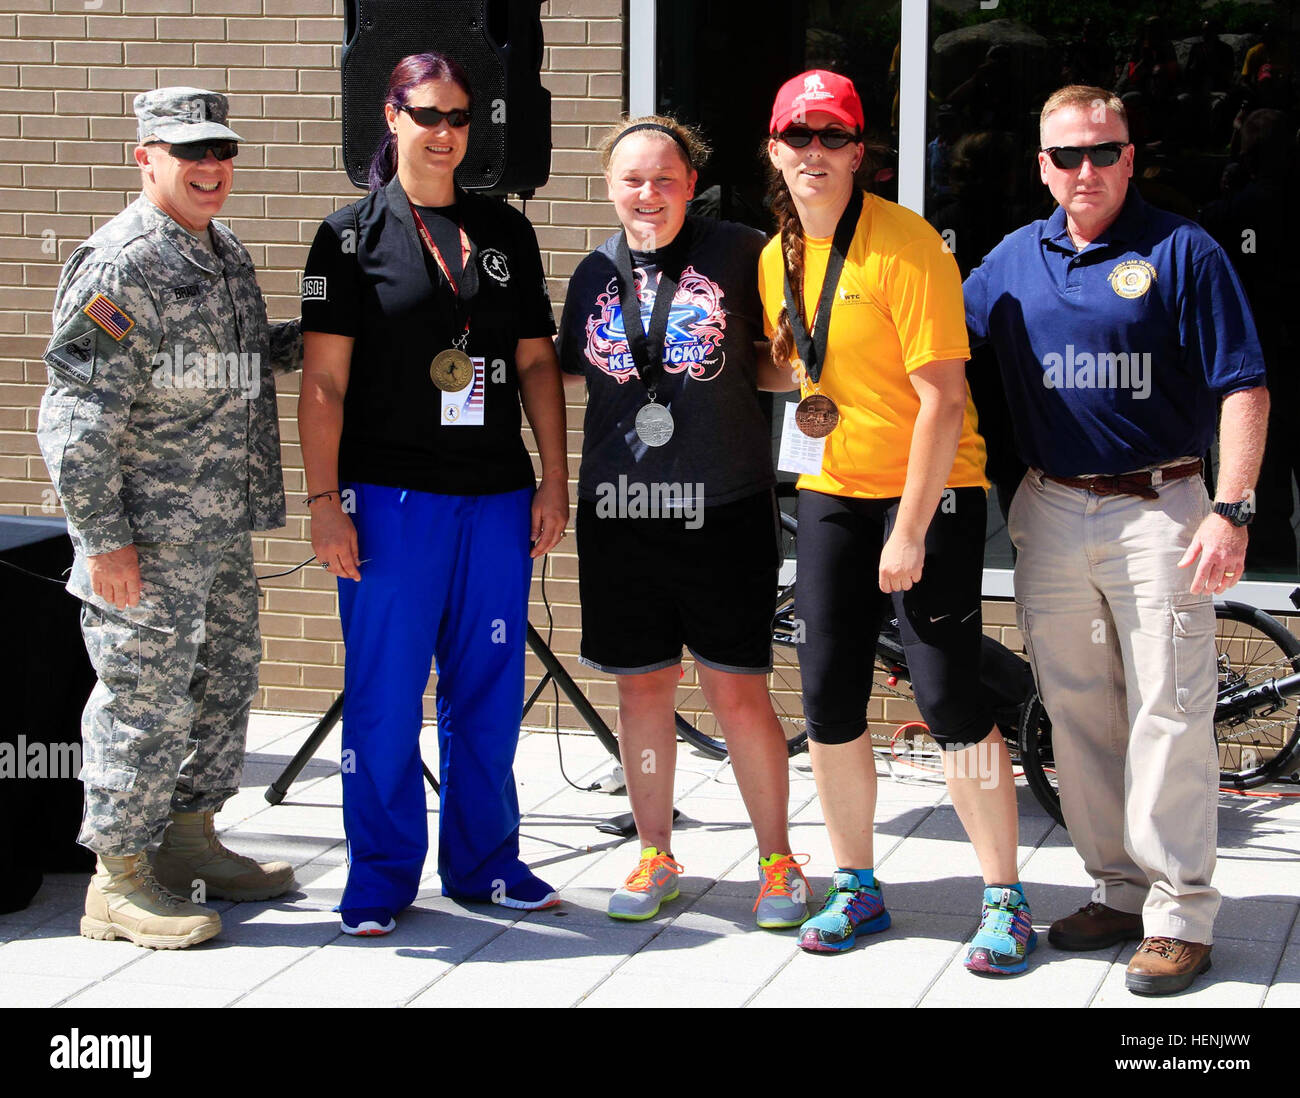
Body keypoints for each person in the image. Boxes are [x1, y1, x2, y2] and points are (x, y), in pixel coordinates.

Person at [964, 85, 1269, 994]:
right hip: (1050, 511)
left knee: (1169, 712)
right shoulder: (1013, 261)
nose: (1085, 170)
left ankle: (1180, 915)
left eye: (1104, 152)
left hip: (1162, 508)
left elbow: (1243, 385)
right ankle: (1119, 890)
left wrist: (1235, 505)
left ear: (1132, 157)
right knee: (1079, 711)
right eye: (1067, 156)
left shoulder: (1185, 250)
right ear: (1042, 166)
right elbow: (936, 351)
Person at [760, 70, 1032, 972]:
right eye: (799, 138)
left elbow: (944, 401)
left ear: (860, 152)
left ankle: (1004, 896)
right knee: (829, 700)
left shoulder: (907, 245)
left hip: (931, 494)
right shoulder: (776, 257)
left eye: (834, 139)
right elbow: (802, 367)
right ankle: (857, 886)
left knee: (951, 699)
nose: (816, 155)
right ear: (774, 150)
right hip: (833, 491)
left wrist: (910, 530)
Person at [299, 53, 568, 936]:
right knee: (384, 694)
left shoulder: (507, 234)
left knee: (488, 685)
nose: (445, 133)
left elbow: (535, 362)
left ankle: (486, 863)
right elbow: (324, 386)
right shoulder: (345, 238)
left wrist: (553, 480)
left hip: (493, 496)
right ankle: (379, 878)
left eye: (459, 117)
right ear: (392, 117)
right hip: (390, 502)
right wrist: (325, 501)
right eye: (427, 115)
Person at [36, 87, 300, 949]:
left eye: (221, 150)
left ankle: (191, 841)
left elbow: (232, 360)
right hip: (145, 538)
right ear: (144, 157)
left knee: (222, 683)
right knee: (141, 702)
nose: (209, 167)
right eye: (188, 153)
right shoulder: (121, 265)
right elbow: (75, 414)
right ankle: (117, 881)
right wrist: (103, 539)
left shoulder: (218, 253)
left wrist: (335, 333)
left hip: (216, 528)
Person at [557, 116, 807, 928]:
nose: (648, 194)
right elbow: (574, 376)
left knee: (737, 691)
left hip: (722, 507)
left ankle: (778, 861)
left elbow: (782, 350)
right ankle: (655, 853)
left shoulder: (739, 250)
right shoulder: (592, 270)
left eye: (665, 179)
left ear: (690, 185)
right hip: (622, 512)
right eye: (632, 179)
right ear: (609, 187)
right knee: (643, 693)